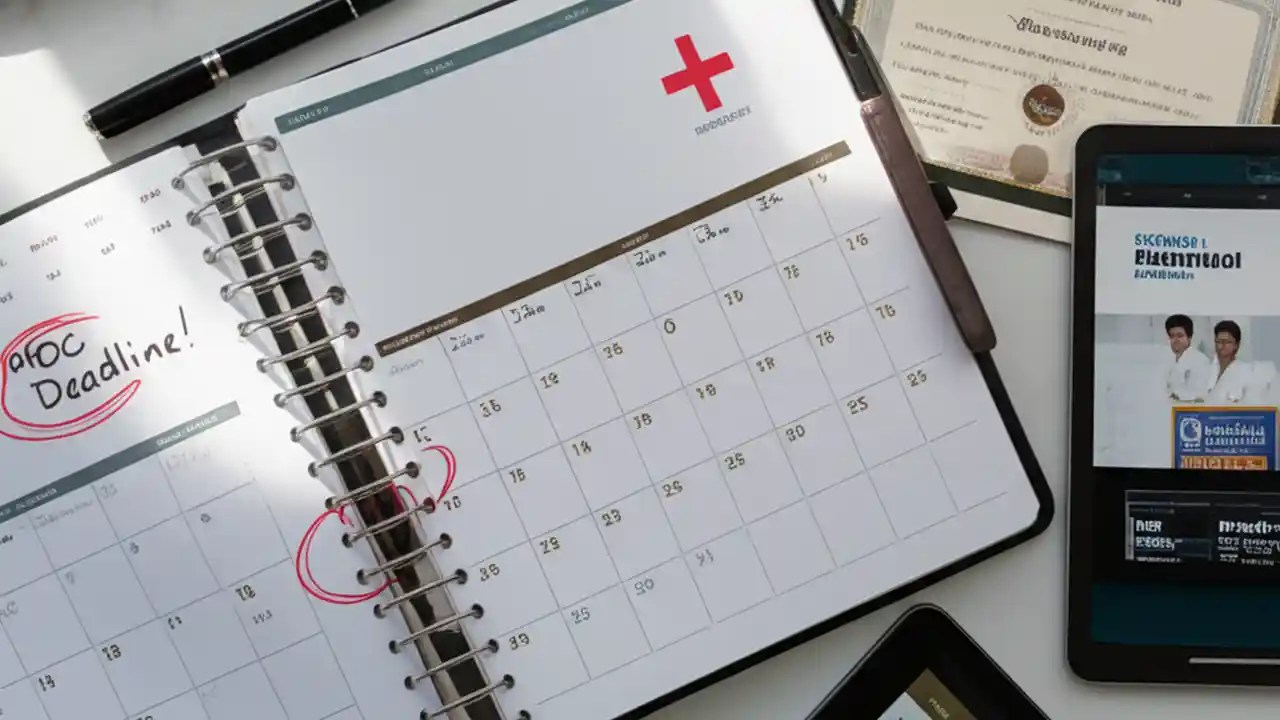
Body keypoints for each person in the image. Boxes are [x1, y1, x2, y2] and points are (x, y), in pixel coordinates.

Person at [1163, 314, 1210, 401]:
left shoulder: (1200, 360)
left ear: (1189, 337)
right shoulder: (1169, 361)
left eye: (1180, 336)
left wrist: (1176, 395)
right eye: (1172, 336)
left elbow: (1200, 394)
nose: (1175, 340)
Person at [1207, 319, 1249, 403]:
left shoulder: (1244, 372)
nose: (1223, 345)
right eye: (1219, 341)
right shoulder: (1208, 368)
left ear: (1236, 345)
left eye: (1228, 342)